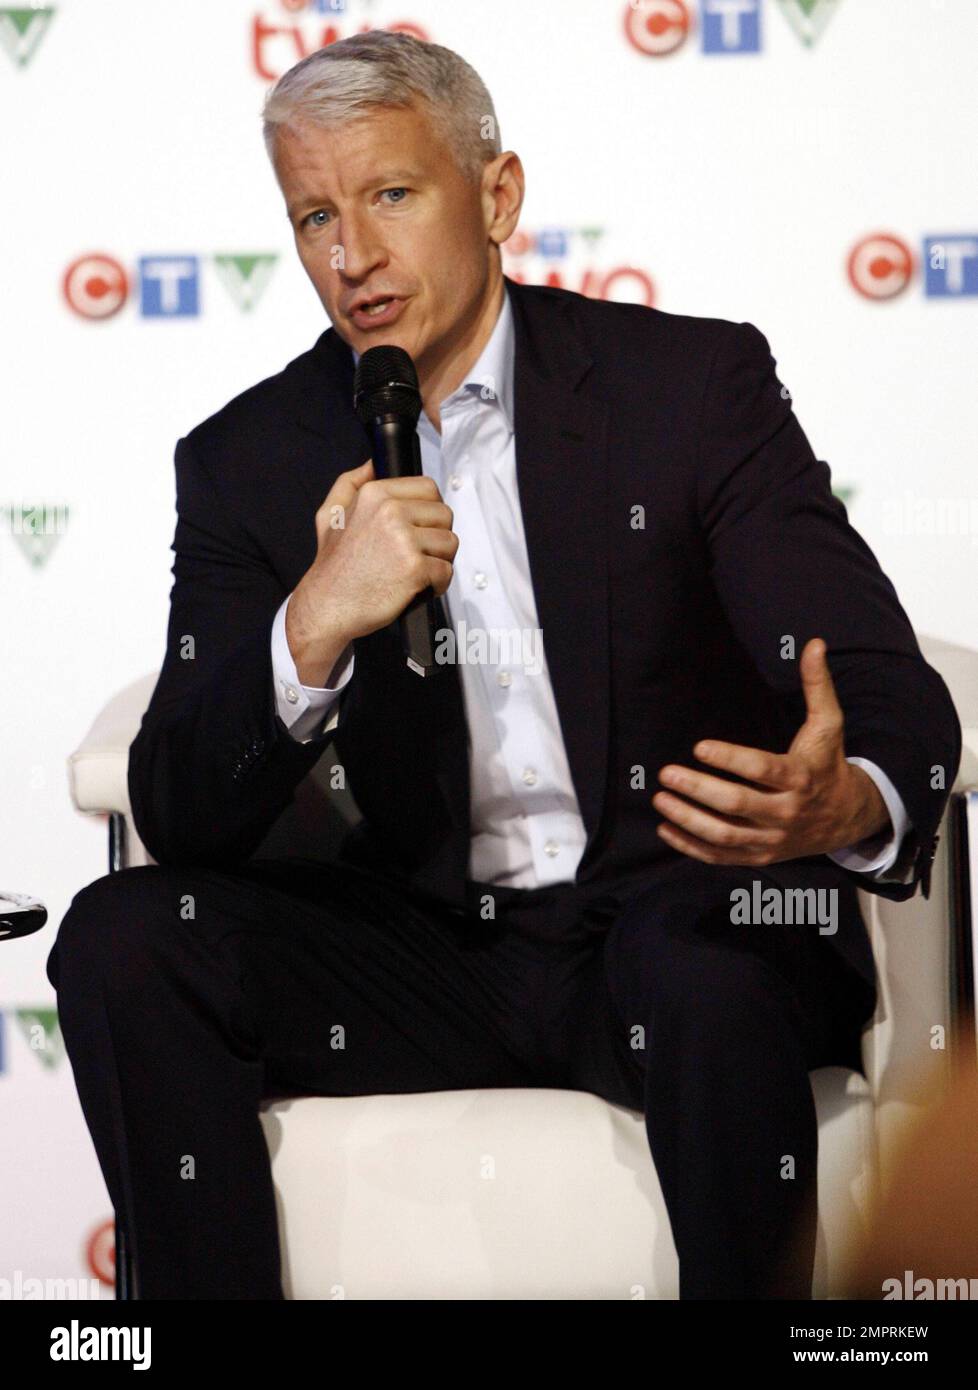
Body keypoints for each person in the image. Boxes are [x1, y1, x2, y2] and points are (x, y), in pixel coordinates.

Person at [46, 31, 961, 1300]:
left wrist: (849, 798)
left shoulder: (686, 389)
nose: (350, 255)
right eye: (313, 214)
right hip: (421, 953)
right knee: (123, 936)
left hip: (669, 913)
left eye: (391, 197)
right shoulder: (246, 459)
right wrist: (313, 621)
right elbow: (182, 805)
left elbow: (877, 672)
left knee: (707, 964)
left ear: (497, 197)